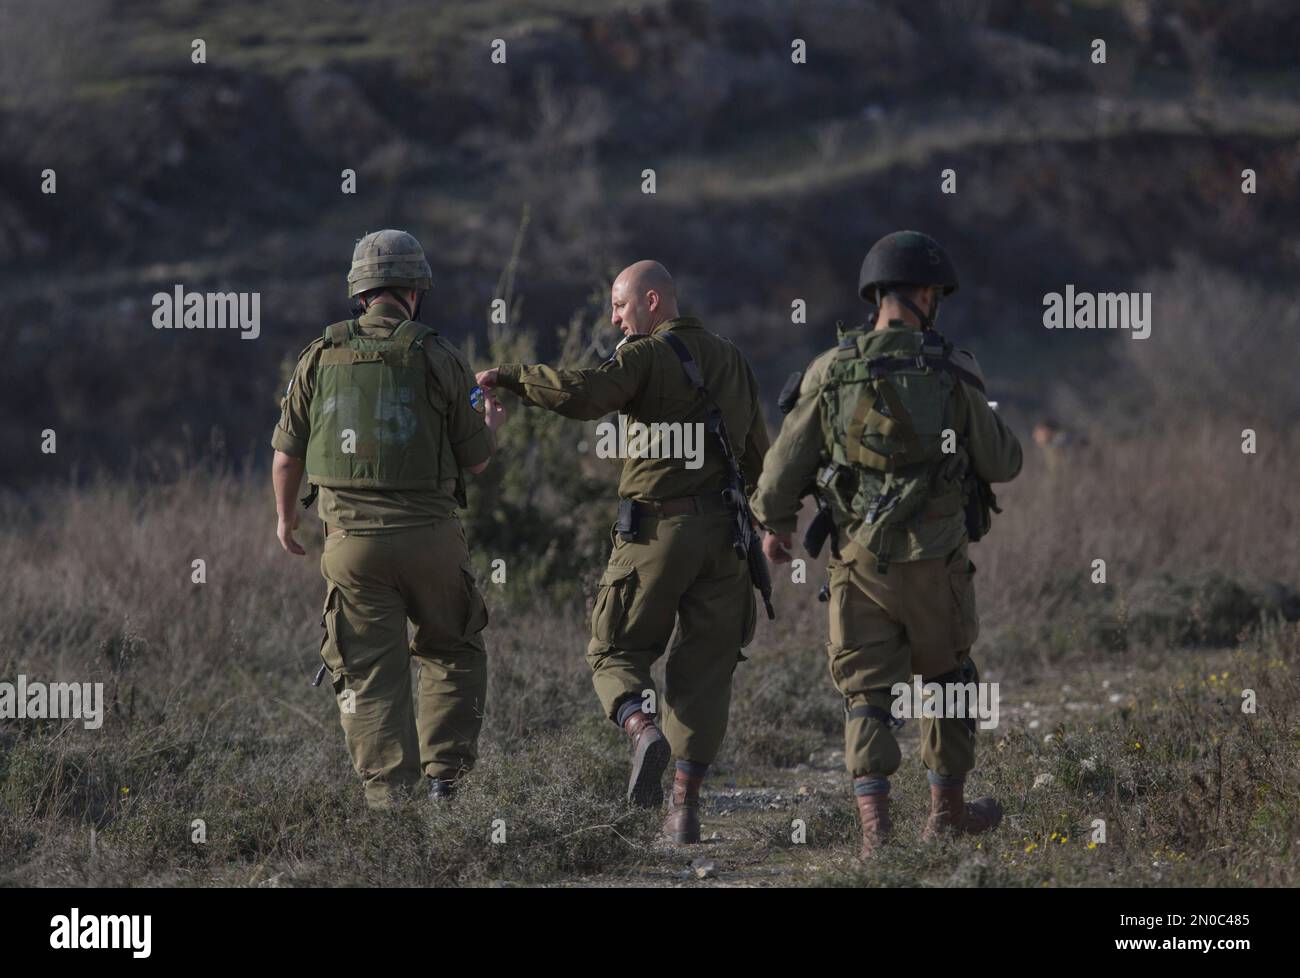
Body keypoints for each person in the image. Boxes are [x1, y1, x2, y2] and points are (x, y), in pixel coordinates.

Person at [475, 260, 769, 843]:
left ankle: (641, 729)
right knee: (704, 672)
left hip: (657, 536)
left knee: (611, 651)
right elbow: (758, 452)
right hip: (726, 539)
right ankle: (683, 812)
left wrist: (511, 376)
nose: (614, 319)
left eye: (619, 305)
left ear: (653, 301)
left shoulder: (645, 356)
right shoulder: (731, 358)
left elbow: (585, 393)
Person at [750, 231, 1022, 855]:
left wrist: (778, 529)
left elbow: (779, 472)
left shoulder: (831, 370)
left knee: (867, 694)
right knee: (950, 679)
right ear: (927, 295)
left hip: (859, 566)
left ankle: (876, 835)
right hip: (938, 567)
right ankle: (947, 815)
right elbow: (1005, 461)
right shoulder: (954, 371)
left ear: (875, 296)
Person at [271, 229, 505, 810]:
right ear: (414, 291)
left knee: (369, 674)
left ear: (360, 293)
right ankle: (447, 784)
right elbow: (477, 460)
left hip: (351, 549)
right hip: (431, 540)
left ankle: (389, 808)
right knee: (451, 650)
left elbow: (285, 456)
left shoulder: (318, 355)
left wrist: (285, 521)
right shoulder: (439, 354)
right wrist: (494, 421)